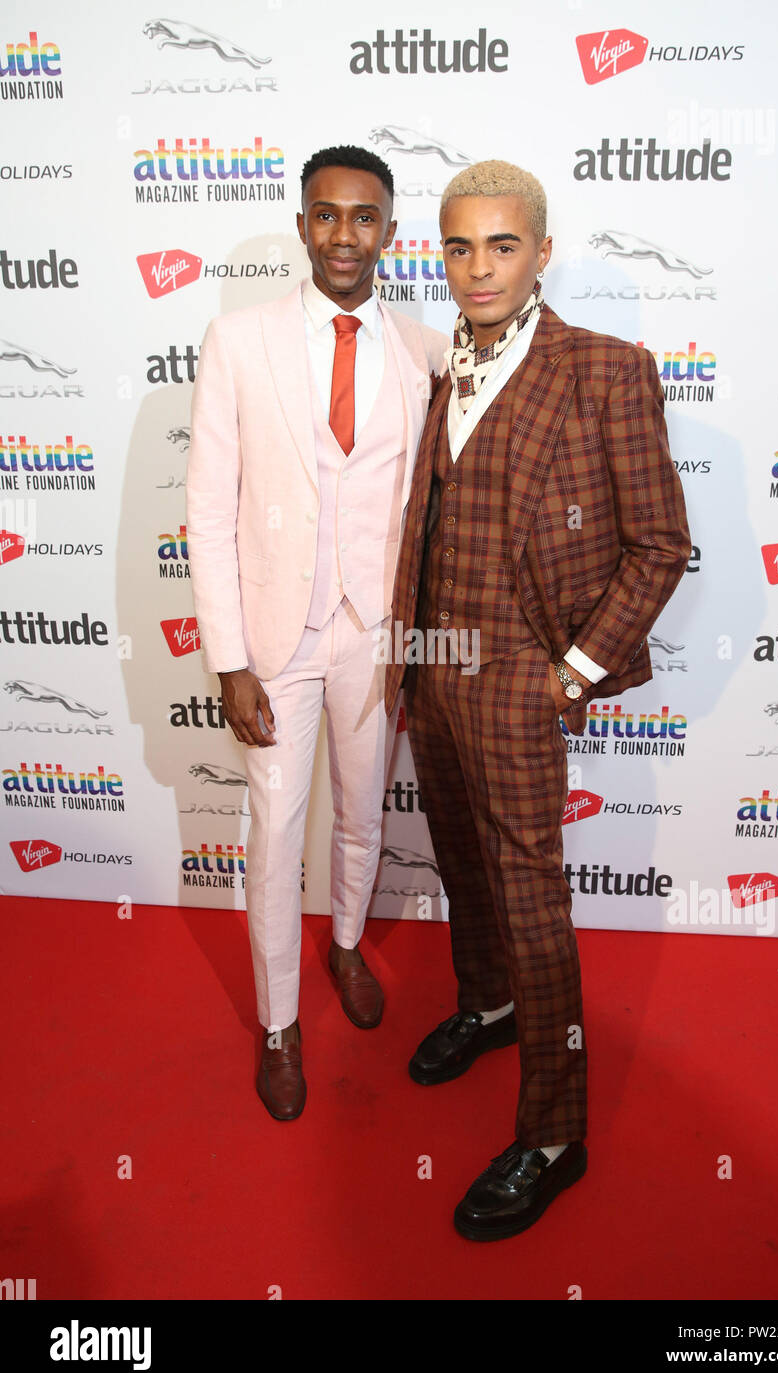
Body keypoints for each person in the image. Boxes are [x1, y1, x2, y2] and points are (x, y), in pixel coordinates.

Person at [385, 160, 691, 1240]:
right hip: (431, 664)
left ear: (542, 251)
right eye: (457, 246)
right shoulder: (433, 368)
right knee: (461, 858)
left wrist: (569, 670)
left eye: (500, 245)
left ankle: (555, 1133)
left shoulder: (605, 370)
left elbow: (660, 546)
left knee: (530, 901)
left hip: (522, 677)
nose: (477, 268)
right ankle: (491, 1002)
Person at [186, 145, 447, 1121]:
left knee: (363, 814)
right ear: (303, 227)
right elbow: (209, 512)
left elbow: (427, 512)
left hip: (374, 639)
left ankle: (344, 943)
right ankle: (279, 1026)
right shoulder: (238, 341)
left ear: (388, 229)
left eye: (364, 216)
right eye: (326, 215)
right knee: (273, 834)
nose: (344, 233)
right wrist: (229, 661)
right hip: (274, 641)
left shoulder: (422, 350)